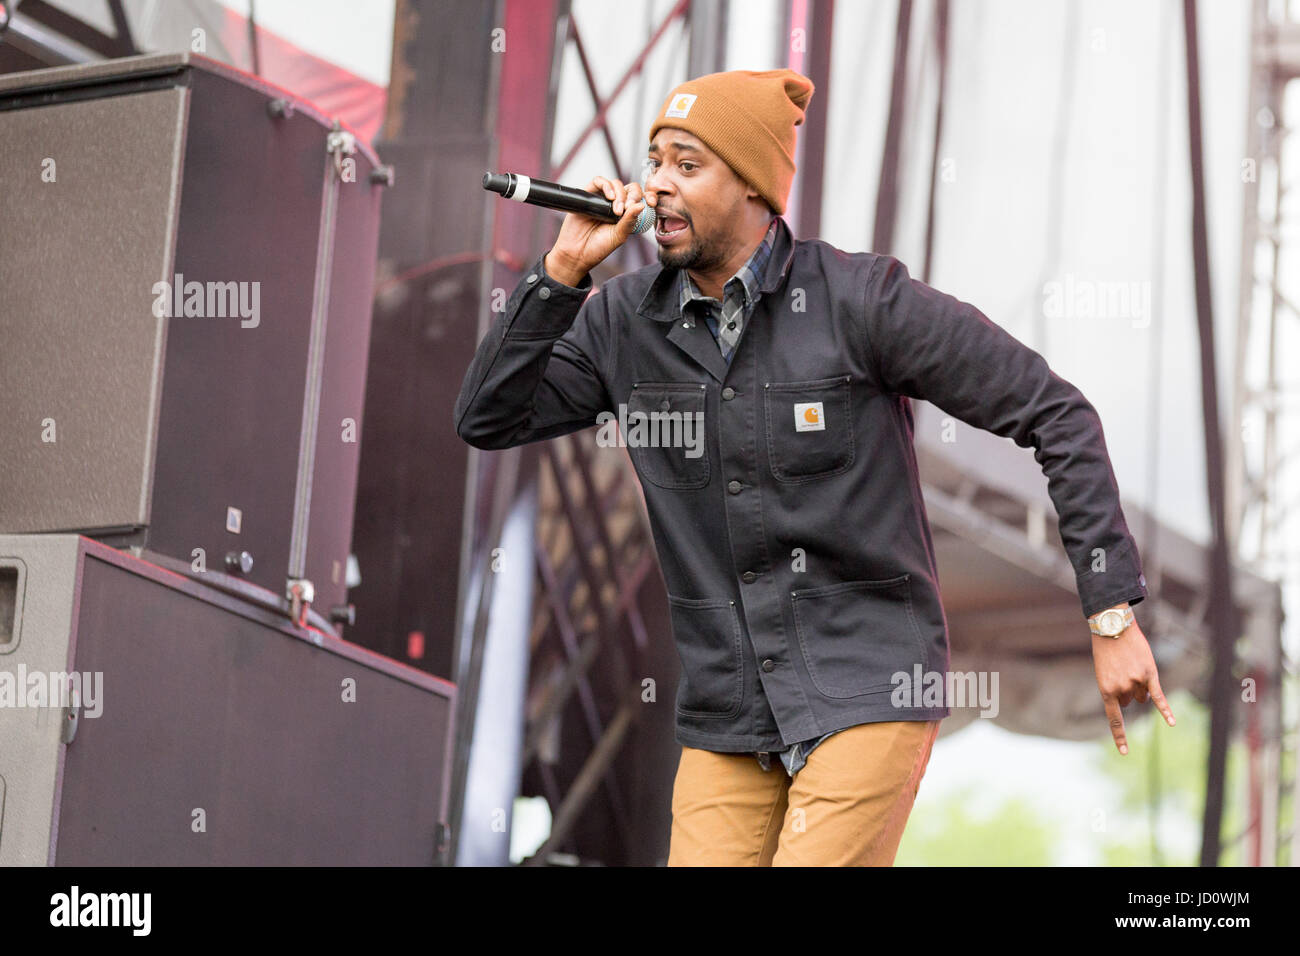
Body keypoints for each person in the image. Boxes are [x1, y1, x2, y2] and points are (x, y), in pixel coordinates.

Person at [454, 68, 1175, 866]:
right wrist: (559, 277)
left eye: (687, 166)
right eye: (655, 160)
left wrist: (1111, 615)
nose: (657, 183)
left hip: (868, 682)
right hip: (727, 711)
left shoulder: (861, 302)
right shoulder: (624, 321)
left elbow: (1054, 411)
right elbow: (489, 415)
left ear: (755, 188)